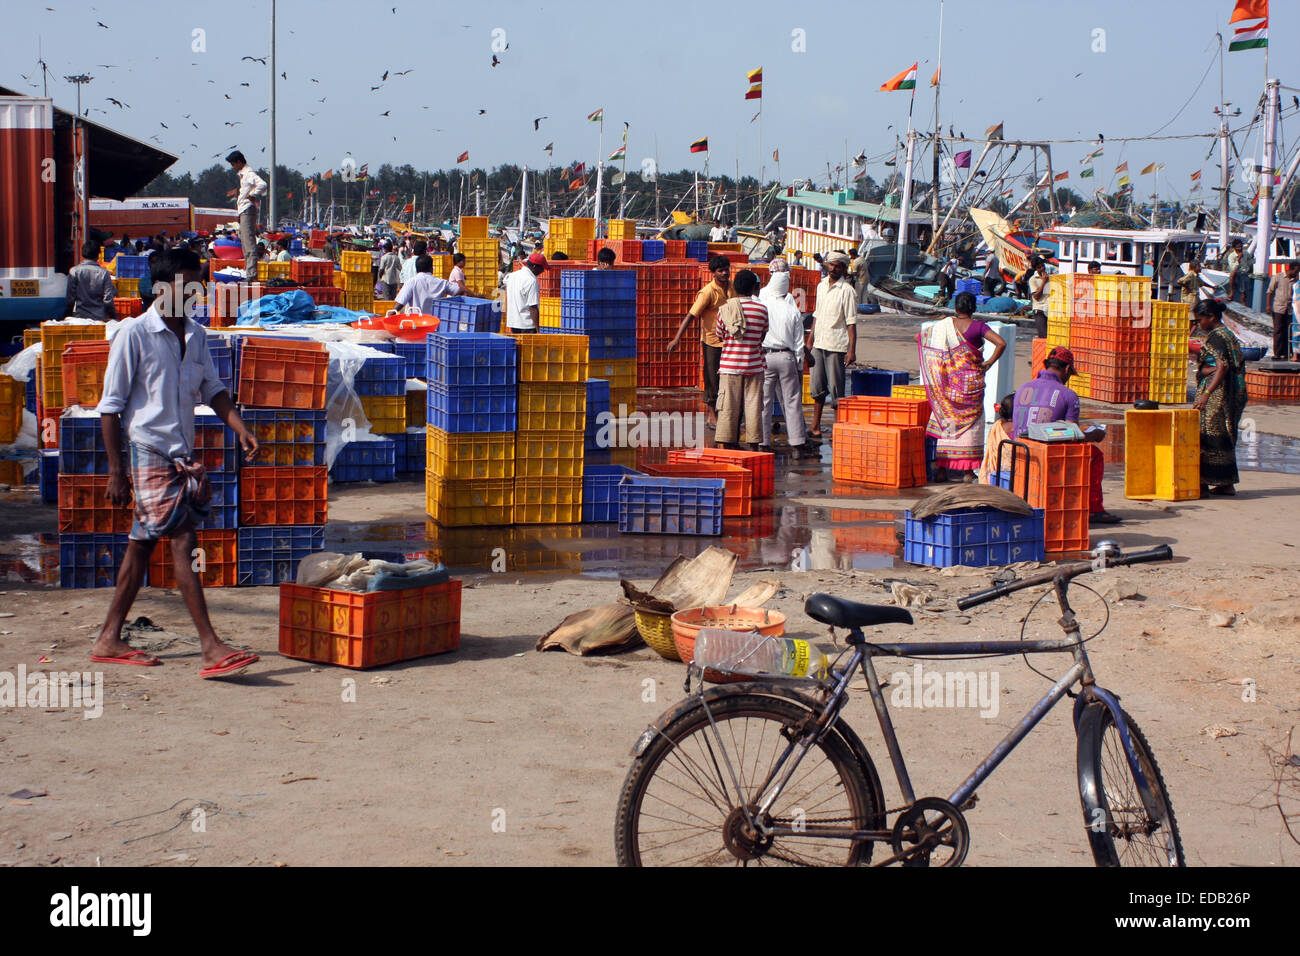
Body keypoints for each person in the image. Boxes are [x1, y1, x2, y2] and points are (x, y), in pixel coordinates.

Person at [91, 248, 261, 678]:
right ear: (162, 287)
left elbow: (213, 389)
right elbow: (109, 409)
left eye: (197, 284)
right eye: (186, 284)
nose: (193, 292)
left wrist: (239, 427)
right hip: (148, 450)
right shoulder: (134, 334)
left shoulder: (198, 335)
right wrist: (117, 471)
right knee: (183, 540)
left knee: (142, 547)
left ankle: (110, 636)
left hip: (181, 455)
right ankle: (210, 646)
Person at [1012, 346, 1121, 524]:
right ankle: (1094, 509)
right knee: (1094, 455)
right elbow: (1072, 435)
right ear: (1068, 369)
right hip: (1046, 455)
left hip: (1019, 451)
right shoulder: (1068, 395)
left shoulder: (1023, 388)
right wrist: (1093, 435)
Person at [919, 291, 1006, 482]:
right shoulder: (978, 327)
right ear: (973, 308)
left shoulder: (943, 327)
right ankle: (967, 471)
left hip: (950, 386)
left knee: (948, 423)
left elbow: (920, 339)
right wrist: (988, 363)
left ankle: (942, 470)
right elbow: (1001, 343)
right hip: (971, 385)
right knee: (972, 426)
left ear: (956, 308)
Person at [668, 256, 733, 426]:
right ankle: (712, 415)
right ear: (713, 274)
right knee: (712, 377)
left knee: (728, 379)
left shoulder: (733, 288)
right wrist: (677, 338)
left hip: (731, 342)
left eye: (727, 269)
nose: (725, 273)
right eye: (721, 270)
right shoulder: (708, 292)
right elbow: (691, 316)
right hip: (712, 342)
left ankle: (725, 413)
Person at [1192, 299, 1248, 496]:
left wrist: (1206, 394)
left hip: (1217, 394)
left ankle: (1208, 481)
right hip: (1227, 393)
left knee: (1209, 434)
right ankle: (1226, 483)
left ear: (1211, 317)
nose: (1198, 325)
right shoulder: (1227, 334)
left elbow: (1222, 366)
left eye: (1199, 321)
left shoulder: (1217, 336)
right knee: (1224, 434)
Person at [759, 269, 814, 457]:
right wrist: (799, 367)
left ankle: (763, 441)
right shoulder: (792, 309)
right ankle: (797, 443)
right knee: (792, 401)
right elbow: (799, 343)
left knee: (764, 402)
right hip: (787, 357)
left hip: (765, 356)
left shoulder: (763, 306)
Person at [714, 270, 768, 450]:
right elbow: (762, 336)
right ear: (754, 288)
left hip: (730, 366)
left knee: (728, 407)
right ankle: (753, 444)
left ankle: (727, 443)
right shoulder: (762, 310)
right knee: (754, 406)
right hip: (754, 365)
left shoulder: (725, 309)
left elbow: (720, 335)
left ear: (735, 287)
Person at [807, 250, 857, 440]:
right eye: (831, 265)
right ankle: (815, 425)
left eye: (838, 266)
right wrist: (810, 342)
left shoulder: (847, 291)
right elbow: (816, 316)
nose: (834, 269)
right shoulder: (821, 286)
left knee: (837, 391)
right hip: (819, 342)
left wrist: (852, 350)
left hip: (837, 345)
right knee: (817, 388)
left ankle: (838, 429)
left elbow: (851, 323)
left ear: (844, 268)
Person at [226, 150, 267, 281]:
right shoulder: (244, 175)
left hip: (247, 208)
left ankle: (251, 274)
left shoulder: (249, 174)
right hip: (244, 209)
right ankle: (249, 272)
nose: (232, 167)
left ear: (239, 162)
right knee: (245, 243)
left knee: (249, 243)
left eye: (233, 164)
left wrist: (253, 194)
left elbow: (263, 184)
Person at [65, 241, 118, 321]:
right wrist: (113, 317)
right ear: (97, 255)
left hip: (80, 317)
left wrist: (68, 315)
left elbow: (70, 298)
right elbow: (108, 299)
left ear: (82, 254)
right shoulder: (104, 273)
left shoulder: (74, 271)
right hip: (99, 318)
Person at [978, 394, 1016, 485]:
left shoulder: (997, 425)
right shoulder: (1018, 427)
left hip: (998, 470)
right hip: (1014, 471)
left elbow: (991, 448)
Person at [503, 251, 545, 332]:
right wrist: (538, 330)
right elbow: (533, 307)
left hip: (513, 323)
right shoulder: (531, 281)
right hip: (527, 325)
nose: (542, 271)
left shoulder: (513, 276)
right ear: (534, 266)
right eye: (542, 268)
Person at [1266, 262, 1298, 360]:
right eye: (1296, 271)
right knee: (1278, 330)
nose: (1297, 273)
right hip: (1278, 308)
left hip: (1289, 309)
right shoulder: (1278, 277)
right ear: (1290, 269)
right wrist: (1268, 305)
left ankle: (1287, 352)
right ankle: (1277, 353)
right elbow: (1269, 292)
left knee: (1288, 330)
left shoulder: (1295, 280)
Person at [1027, 258, 1050, 338]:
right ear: (1036, 269)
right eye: (1039, 267)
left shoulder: (1049, 278)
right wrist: (1044, 282)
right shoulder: (1033, 280)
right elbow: (1036, 296)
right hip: (1039, 310)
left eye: (1043, 266)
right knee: (1043, 335)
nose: (1042, 268)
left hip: (1049, 309)